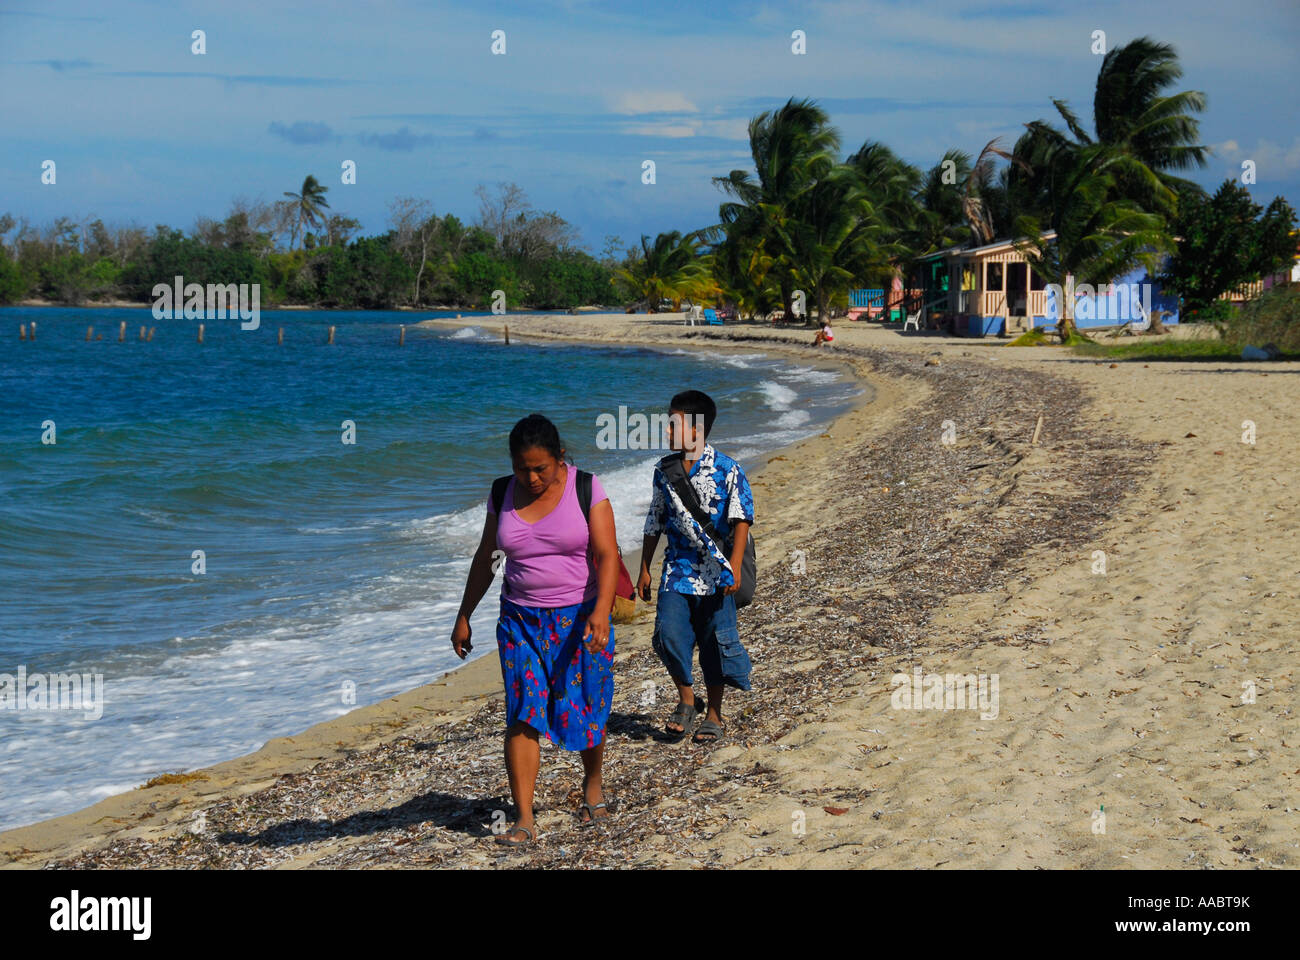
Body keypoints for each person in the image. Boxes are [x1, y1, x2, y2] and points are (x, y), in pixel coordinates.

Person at [451, 414, 620, 846]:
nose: (531, 477)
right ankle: (524, 818)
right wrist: (464, 613)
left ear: (560, 458)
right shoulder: (501, 492)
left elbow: (606, 554)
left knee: (585, 703)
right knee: (523, 711)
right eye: (522, 468)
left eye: (540, 468)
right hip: (519, 620)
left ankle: (593, 784)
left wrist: (602, 611)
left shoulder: (587, 488)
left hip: (580, 617)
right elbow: (487, 557)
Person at [636, 390, 754, 744]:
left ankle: (715, 714)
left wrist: (733, 567)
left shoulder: (729, 469)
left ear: (697, 427)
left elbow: (741, 521)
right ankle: (688, 698)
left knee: (715, 643)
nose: (668, 430)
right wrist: (644, 568)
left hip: (717, 575)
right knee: (668, 635)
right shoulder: (664, 470)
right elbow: (654, 519)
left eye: (674, 423)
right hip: (676, 570)